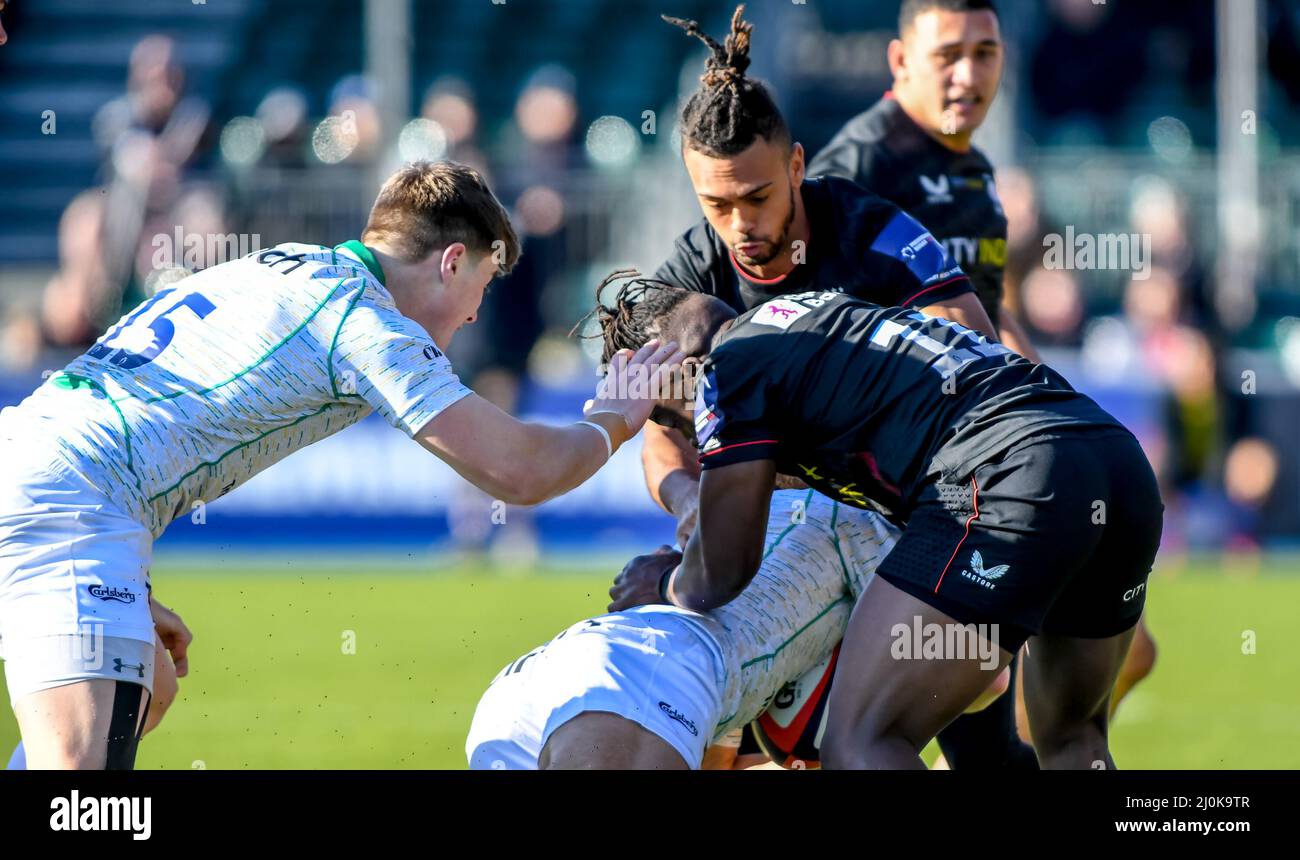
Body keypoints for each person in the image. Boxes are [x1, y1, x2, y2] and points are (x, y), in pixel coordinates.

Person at [0, 160, 680, 769]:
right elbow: (521, 472)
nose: (476, 315)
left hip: (46, 465)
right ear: (450, 263)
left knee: (152, 683)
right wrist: (614, 416)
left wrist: (127, 590)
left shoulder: (288, 262)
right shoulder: (362, 321)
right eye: (483, 283)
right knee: (80, 794)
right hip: (72, 498)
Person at [598, 277, 1163, 769]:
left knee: (861, 744)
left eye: (677, 421)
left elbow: (721, 572)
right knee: (1072, 740)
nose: (696, 443)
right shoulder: (814, 312)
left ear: (671, 368)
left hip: (1006, 474)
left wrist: (664, 583)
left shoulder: (726, 367)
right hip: (1112, 455)